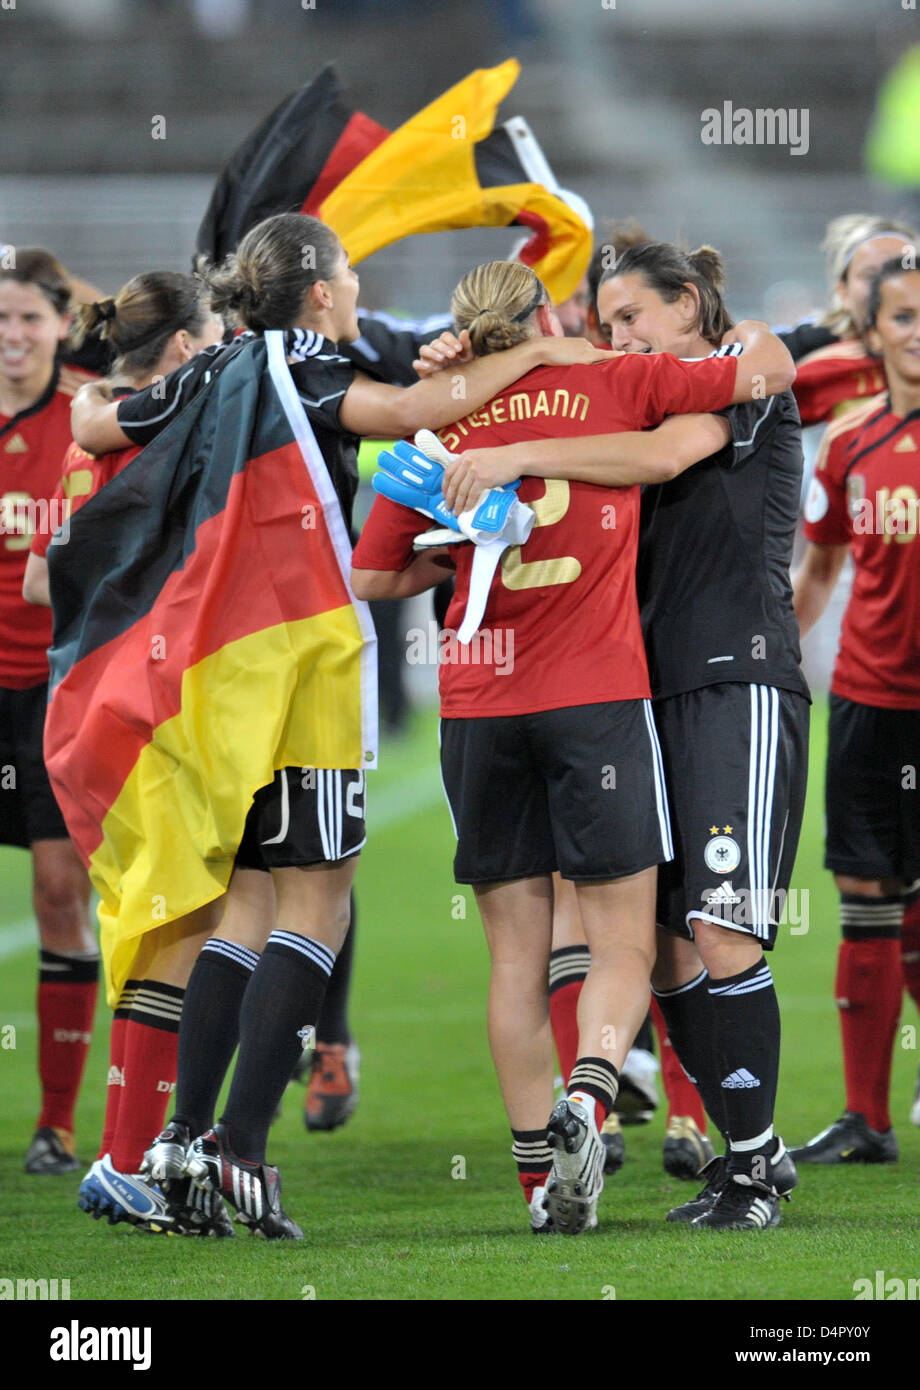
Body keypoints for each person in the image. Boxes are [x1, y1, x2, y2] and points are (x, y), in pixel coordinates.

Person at [69, 213, 607, 1240]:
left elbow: (98, 431)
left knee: (247, 903)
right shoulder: (300, 354)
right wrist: (538, 348)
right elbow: (402, 406)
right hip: (302, 662)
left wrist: (93, 389)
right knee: (316, 907)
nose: (357, 287)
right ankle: (240, 1152)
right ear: (317, 290)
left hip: (215, 668)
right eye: (349, 272)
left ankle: (184, 1143)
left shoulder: (213, 365)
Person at [351, 257, 794, 1234]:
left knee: (515, 954)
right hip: (594, 697)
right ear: (549, 318)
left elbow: (370, 576)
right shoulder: (610, 380)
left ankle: (533, 1184)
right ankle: (590, 1097)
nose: (616, 328)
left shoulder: (440, 425)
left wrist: (462, 541)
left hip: (475, 706)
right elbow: (743, 378)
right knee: (626, 937)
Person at [23, 271, 231, 1232]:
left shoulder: (88, 430)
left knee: (165, 926)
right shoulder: (167, 425)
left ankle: (140, 1152)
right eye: (216, 332)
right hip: (149, 711)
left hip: (93, 706)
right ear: (187, 350)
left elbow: (40, 578)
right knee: (180, 927)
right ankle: (123, 1156)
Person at [790, 257, 920, 1161]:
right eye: (905, 317)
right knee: (866, 894)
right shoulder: (844, 444)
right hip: (870, 701)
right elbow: (824, 566)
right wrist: (771, 663)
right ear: (872, 335)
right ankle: (866, 1117)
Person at [0, 248, 98, 1176]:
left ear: (61, 324)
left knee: (59, 896)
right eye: (0, 321)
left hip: (53, 695)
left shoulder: (89, 416)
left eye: (28, 318)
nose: (13, 337)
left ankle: (57, 1123)